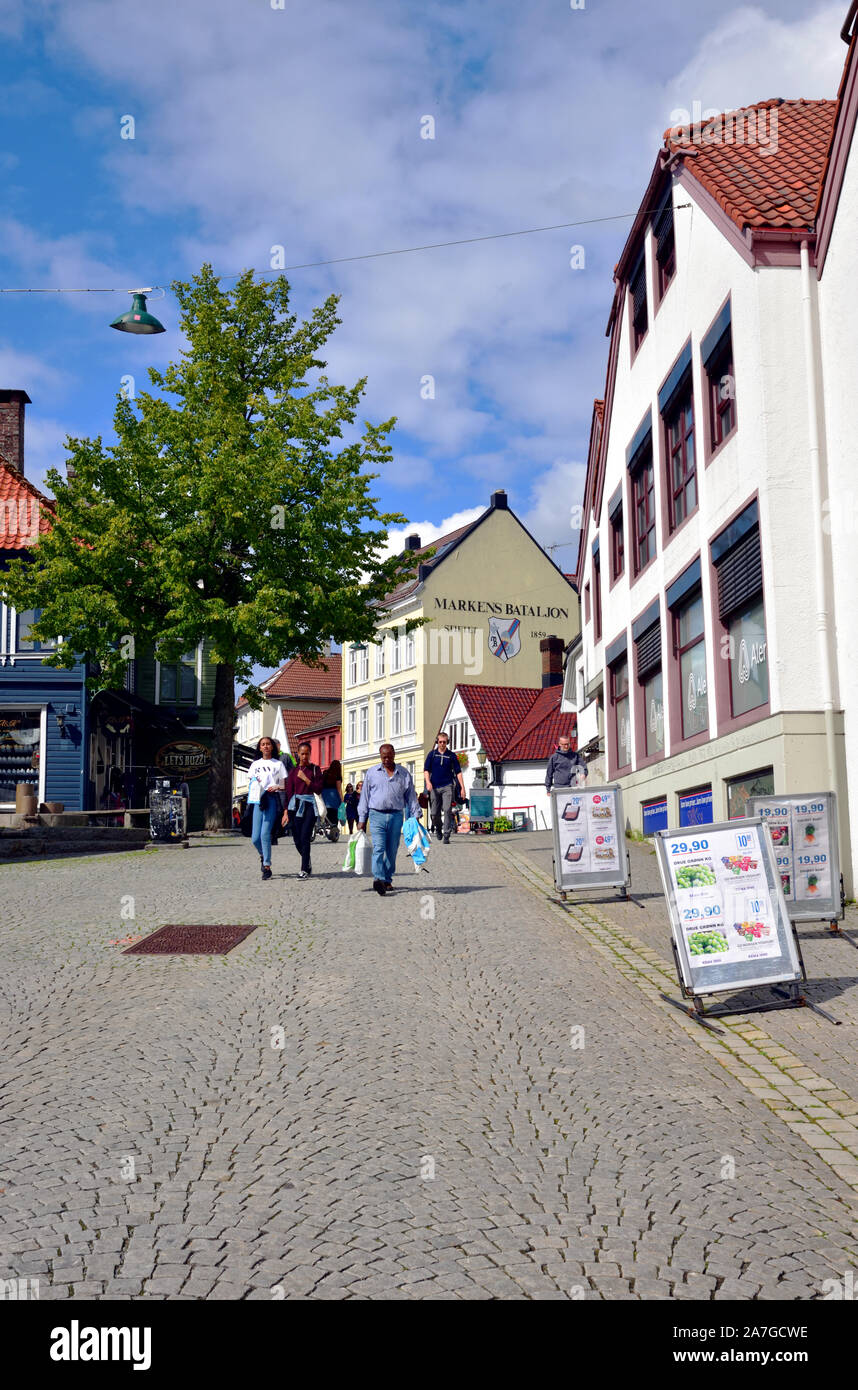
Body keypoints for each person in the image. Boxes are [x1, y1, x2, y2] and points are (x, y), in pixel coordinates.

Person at [357, 744, 420, 896]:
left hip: (396, 815)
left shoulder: (403, 774)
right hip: (376, 814)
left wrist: (416, 815)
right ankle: (378, 879)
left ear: (394, 755)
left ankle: (387, 879)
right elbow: (365, 797)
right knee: (379, 847)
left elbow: (410, 797)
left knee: (391, 850)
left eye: (389, 757)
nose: (386, 760)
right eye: (383, 757)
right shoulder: (372, 773)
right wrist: (362, 818)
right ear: (380, 756)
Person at [246, 736, 287, 880]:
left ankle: (267, 866)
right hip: (257, 799)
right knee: (255, 838)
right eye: (263, 744)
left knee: (265, 833)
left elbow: (284, 785)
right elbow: (251, 782)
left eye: (268, 744)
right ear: (259, 747)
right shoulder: (254, 765)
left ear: (272, 747)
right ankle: (263, 855)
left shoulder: (278, 764)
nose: (265, 747)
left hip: (271, 799)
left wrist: (277, 786)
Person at [282, 740, 324, 878]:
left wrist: (306, 779)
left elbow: (318, 789)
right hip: (295, 806)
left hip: (310, 805)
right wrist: (286, 811)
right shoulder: (293, 772)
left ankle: (304, 868)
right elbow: (288, 793)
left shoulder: (315, 769)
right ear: (298, 754)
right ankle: (307, 860)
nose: (304, 756)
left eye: (307, 754)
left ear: (310, 754)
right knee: (297, 839)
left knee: (305, 836)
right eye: (302, 754)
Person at [423, 730, 466, 844]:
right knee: (433, 814)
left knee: (447, 810)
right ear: (437, 742)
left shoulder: (451, 756)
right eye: (440, 742)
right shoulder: (432, 754)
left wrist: (462, 788)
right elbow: (426, 770)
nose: (442, 744)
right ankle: (438, 827)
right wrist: (428, 782)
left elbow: (458, 773)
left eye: (444, 742)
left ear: (447, 742)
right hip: (434, 787)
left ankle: (446, 834)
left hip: (447, 786)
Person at [321, 758, 343, 831]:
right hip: (333, 796)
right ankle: (333, 830)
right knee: (334, 814)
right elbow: (339, 789)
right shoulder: (337, 775)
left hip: (324, 795)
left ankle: (326, 829)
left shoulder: (325, 773)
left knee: (326, 813)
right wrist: (342, 800)